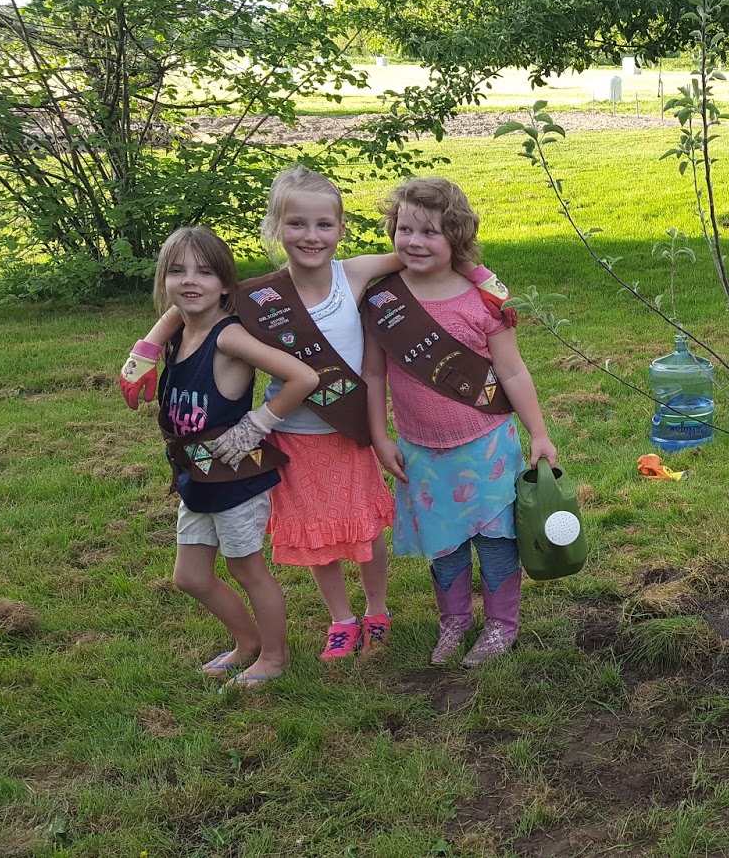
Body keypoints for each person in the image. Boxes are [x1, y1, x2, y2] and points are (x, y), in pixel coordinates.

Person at [119, 166, 518, 662]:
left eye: (324, 224)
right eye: (296, 224)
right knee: (316, 533)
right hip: (292, 433)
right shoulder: (257, 296)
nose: (311, 236)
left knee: (363, 528)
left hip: (349, 432)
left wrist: (485, 280)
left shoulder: (355, 273)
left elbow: (433, 250)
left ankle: (377, 610)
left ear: (341, 229)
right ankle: (341, 619)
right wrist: (146, 349)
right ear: (276, 227)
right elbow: (188, 305)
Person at [361, 177, 556, 667]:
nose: (413, 241)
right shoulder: (382, 302)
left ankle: (501, 625)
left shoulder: (483, 301)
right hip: (420, 449)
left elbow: (512, 370)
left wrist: (539, 433)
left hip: (487, 445)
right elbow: (373, 373)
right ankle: (454, 622)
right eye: (404, 229)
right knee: (443, 544)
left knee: (495, 540)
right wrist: (379, 437)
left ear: (456, 236)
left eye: (429, 232)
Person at [149, 227, 319, 689]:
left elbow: (303, 377)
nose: (190, 280)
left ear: (225, 284)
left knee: (247, 568)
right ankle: (247, 644)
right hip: (196, 475)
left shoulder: (228, 337)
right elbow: (172, 316)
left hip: (234, 478)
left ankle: (275, 657)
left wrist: (258, 423)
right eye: (178, 271)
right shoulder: (180, 331)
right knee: (190, 577)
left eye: (204, 272)